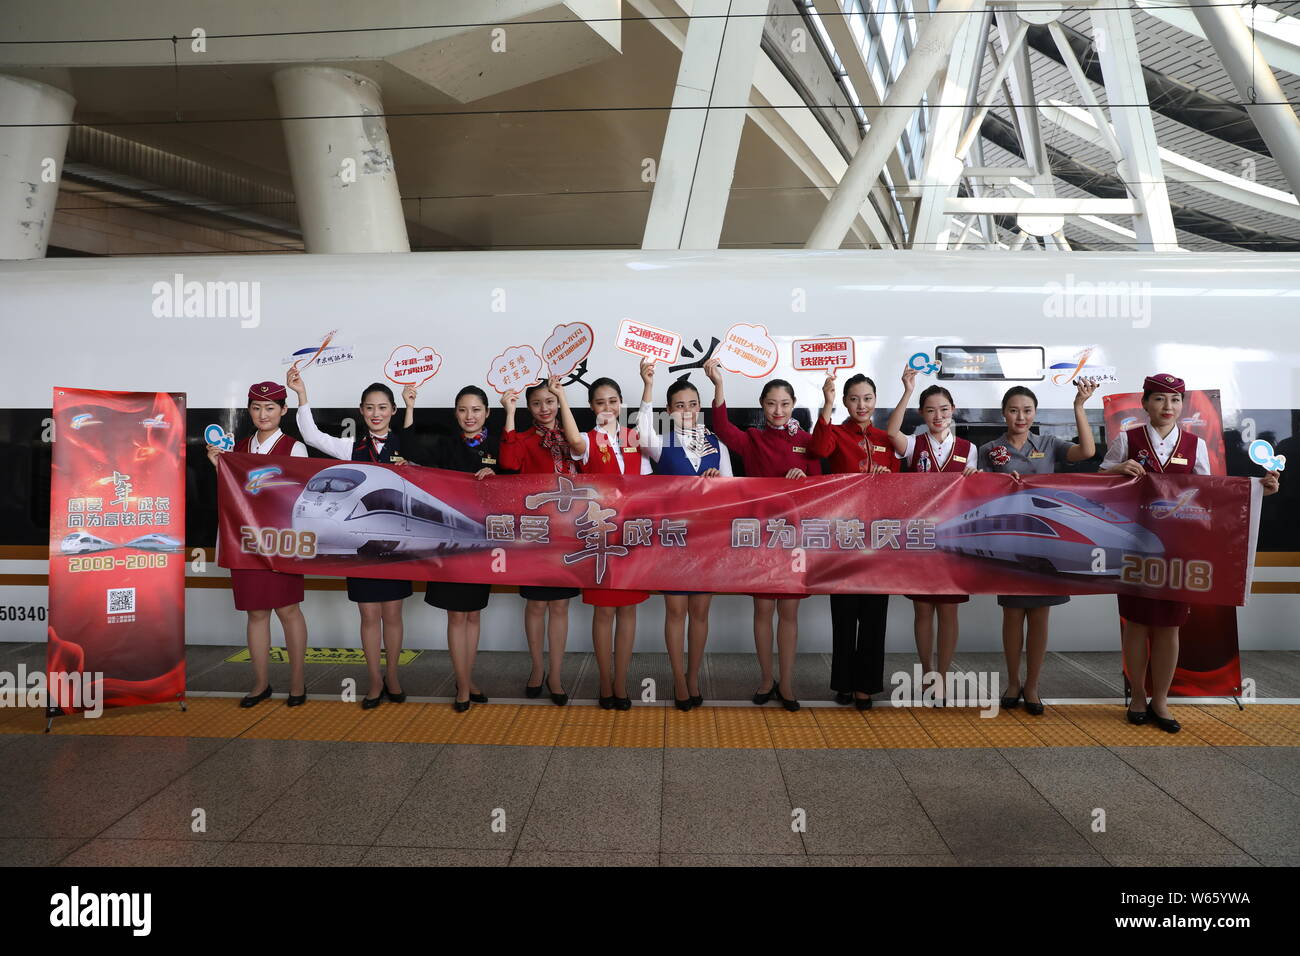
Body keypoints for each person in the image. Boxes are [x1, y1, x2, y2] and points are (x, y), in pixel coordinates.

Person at [1100, 372, 1279, 732]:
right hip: (1133, 546)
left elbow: (1212, 492)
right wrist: (1118, 468)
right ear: (1145, 403)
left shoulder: (1195, 445)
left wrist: (1258, 490)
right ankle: (1137, 696)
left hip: (1178, 551)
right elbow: (1100, 487)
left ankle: (1161, 700)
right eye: (1160, 399)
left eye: (1175, 400)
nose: (1168, 407)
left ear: (1183, 406)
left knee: (1168, 627)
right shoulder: (1127, 439)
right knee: (1136, 625)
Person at [287, 367, 413, 710]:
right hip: (359, 547)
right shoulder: (349, 448)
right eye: (370, 408)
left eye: (383, 407)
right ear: (361, 411)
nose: (376, 414)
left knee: (394, 615)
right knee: (369, 616)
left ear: (392, 411)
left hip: (398, 547)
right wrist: (302, 394)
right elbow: (311, 434)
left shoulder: (407, 446)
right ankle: (374, 681)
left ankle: (394, 677)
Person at [705, 356, 820, 712]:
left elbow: (820, 488)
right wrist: (719, 384)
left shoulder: (808, 440)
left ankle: (786, 684)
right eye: (771, 404)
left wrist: (807, 481)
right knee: (762, 610)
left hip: (794, 538)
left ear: (794, 406)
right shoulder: (752, 438)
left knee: (788, 613)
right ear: (762, 407)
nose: (778, 410)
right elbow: (723, 429)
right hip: (759, 536)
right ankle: (766, 679)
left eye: (785, 404)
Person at [977, 380, 1098, 715]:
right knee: (1013, 615)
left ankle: (1033, 686)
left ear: (1035, 413)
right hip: (1010, 544)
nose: (1021, 416)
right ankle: (1013, 682)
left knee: (1040, 617)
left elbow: (1086, 452)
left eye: (1027, 410)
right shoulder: (990, 450)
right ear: (1004, 413)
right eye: (1014, 410)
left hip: (1048, 544)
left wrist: (1079, 407)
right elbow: (978, 493)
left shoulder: (1048, 442)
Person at [207, 381, 310, 708]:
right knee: (256, 613)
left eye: (270, 408)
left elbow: (298, 497)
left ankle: (297, 683)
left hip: (281, 542)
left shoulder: (295, 448)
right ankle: (261, 683)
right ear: (249, 410)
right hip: (247, 542)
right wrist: (218, 466)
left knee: (288, 610)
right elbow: (232, 496)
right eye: (256, 407)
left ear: (283, 410)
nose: (262, 414)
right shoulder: (237, 449)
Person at [553, 372, 651, 710]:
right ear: (591, 407)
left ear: (621, 403)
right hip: (599, 536)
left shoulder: (636, 436)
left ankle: (621, 684)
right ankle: (605, 682)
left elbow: (652, 485)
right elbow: (573, 441)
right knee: (605, 613)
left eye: (612, 401)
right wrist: (561, 396)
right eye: (600, 402)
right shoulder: (587, 439)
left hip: (632, 535)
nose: (607, 407)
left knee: (627, 613)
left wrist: (648, 385)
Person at [637, 361, 732, 710]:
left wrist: (718, 483)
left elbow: (733, 489)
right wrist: (647, 384)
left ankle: (694, 677)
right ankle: (678, 679)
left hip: (707, 541)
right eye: (680, 405)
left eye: (693, 405)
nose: (688, 411)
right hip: (673, 539)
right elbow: (642, 432)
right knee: (676, 612)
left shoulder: (716, 443)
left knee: (701, 613)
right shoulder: (660, 440)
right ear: (668, 411)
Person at [406, 383, 501, 713]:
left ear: (487, 413)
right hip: (450, 542)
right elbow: (414, 464)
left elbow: (515, 484)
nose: (469, 416)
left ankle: (468, 678)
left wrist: (497, 475)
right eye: (463, 410)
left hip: (483, 543)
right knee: (456, 617)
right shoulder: (444, 445)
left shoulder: (498, 446)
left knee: (473, 615)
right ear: (455, 413)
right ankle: (461, 684)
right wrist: (409, 407)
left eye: (476, 410)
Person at [886, 367, 976, 706]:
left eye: (943, 409)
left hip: (954, 542)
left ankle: (944, 675)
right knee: (923, 611)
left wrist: (975, 478)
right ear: (922, 414)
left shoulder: (969, 449)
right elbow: (891, 431)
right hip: (920, 540)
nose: (937, 416)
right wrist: (908, 390)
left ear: (952, 410)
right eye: (929, 410)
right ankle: (926, 673)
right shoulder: (914, 444)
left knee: (949, 612)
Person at [808, 371, 898, 709]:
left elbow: (904, 487)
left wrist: (889, 477)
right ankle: (843, 683)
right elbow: (817, 450)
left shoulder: (886, 437)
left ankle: (866, 687)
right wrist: (827, 404)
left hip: (879, 538)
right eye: (854, 398)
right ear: (845, 401)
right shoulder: (835, 432)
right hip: (843, 537)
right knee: (844, 615)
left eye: (867, 398)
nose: (861, 405)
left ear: (875, 401)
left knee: (875, 616)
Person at [499, 381, 578, 706]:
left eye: (550, 401)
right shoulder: (524, 439)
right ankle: (536, 668)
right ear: (529, 407)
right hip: (534, 533)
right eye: (536, 403)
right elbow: (507, 463)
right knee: (535, 605)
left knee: (560, 606)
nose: (544, 408)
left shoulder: (574, 436)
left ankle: (555, 675)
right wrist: (509, 412)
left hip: (569, 531)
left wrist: (563, 396)